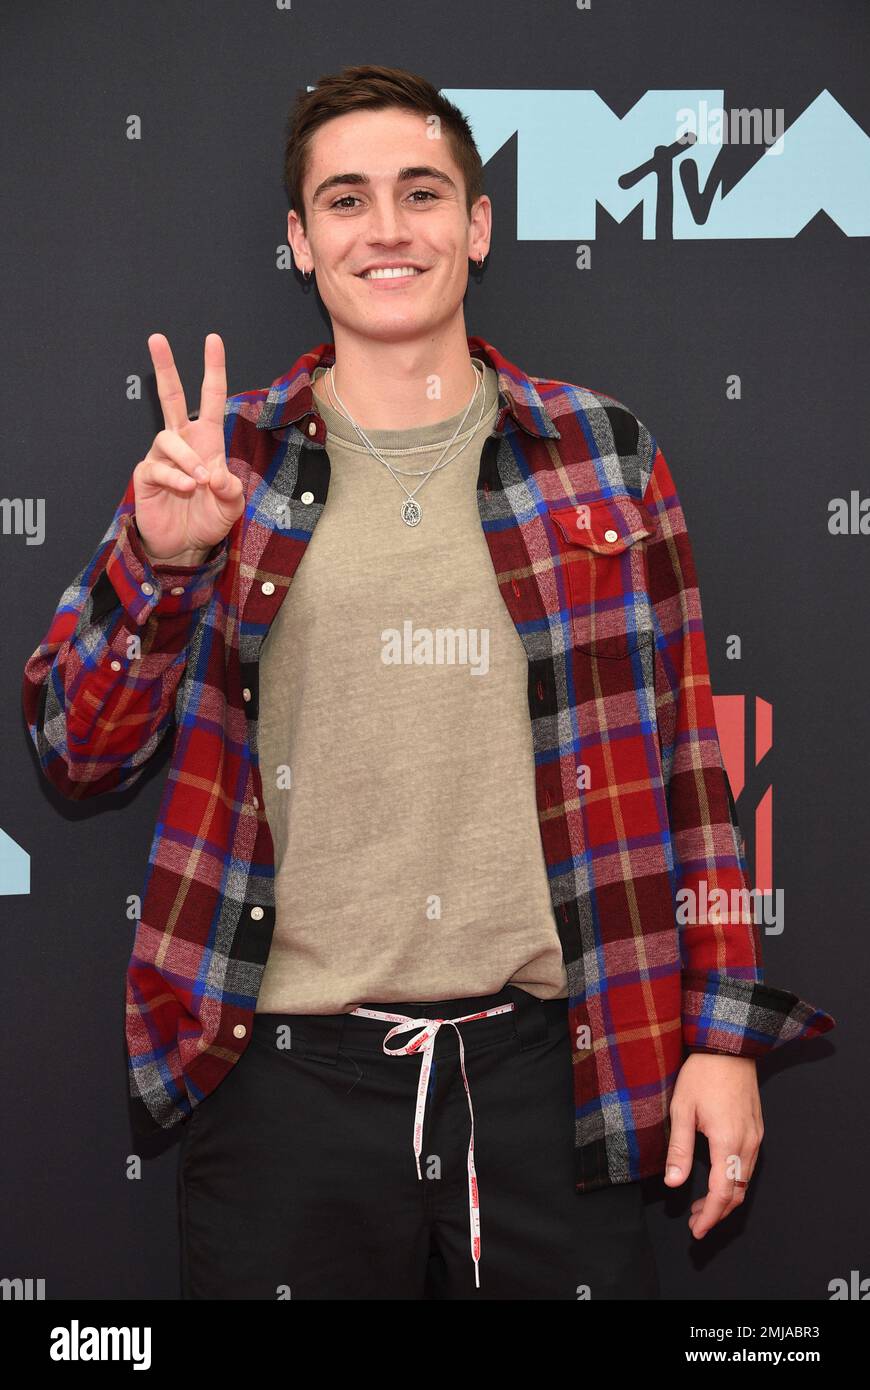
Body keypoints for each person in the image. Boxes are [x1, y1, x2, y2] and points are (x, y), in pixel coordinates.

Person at [22, 63, 835, 1301]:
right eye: (345, 200)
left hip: (554, 1085)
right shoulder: (221, 461)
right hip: (282, 1091)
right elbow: (76, 750)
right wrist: (161, 563)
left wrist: (720, 1034)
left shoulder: (603, 455)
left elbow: (690, 768)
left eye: (422, 192)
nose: (387, 228)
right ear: (299, 242)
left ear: (478, 224)